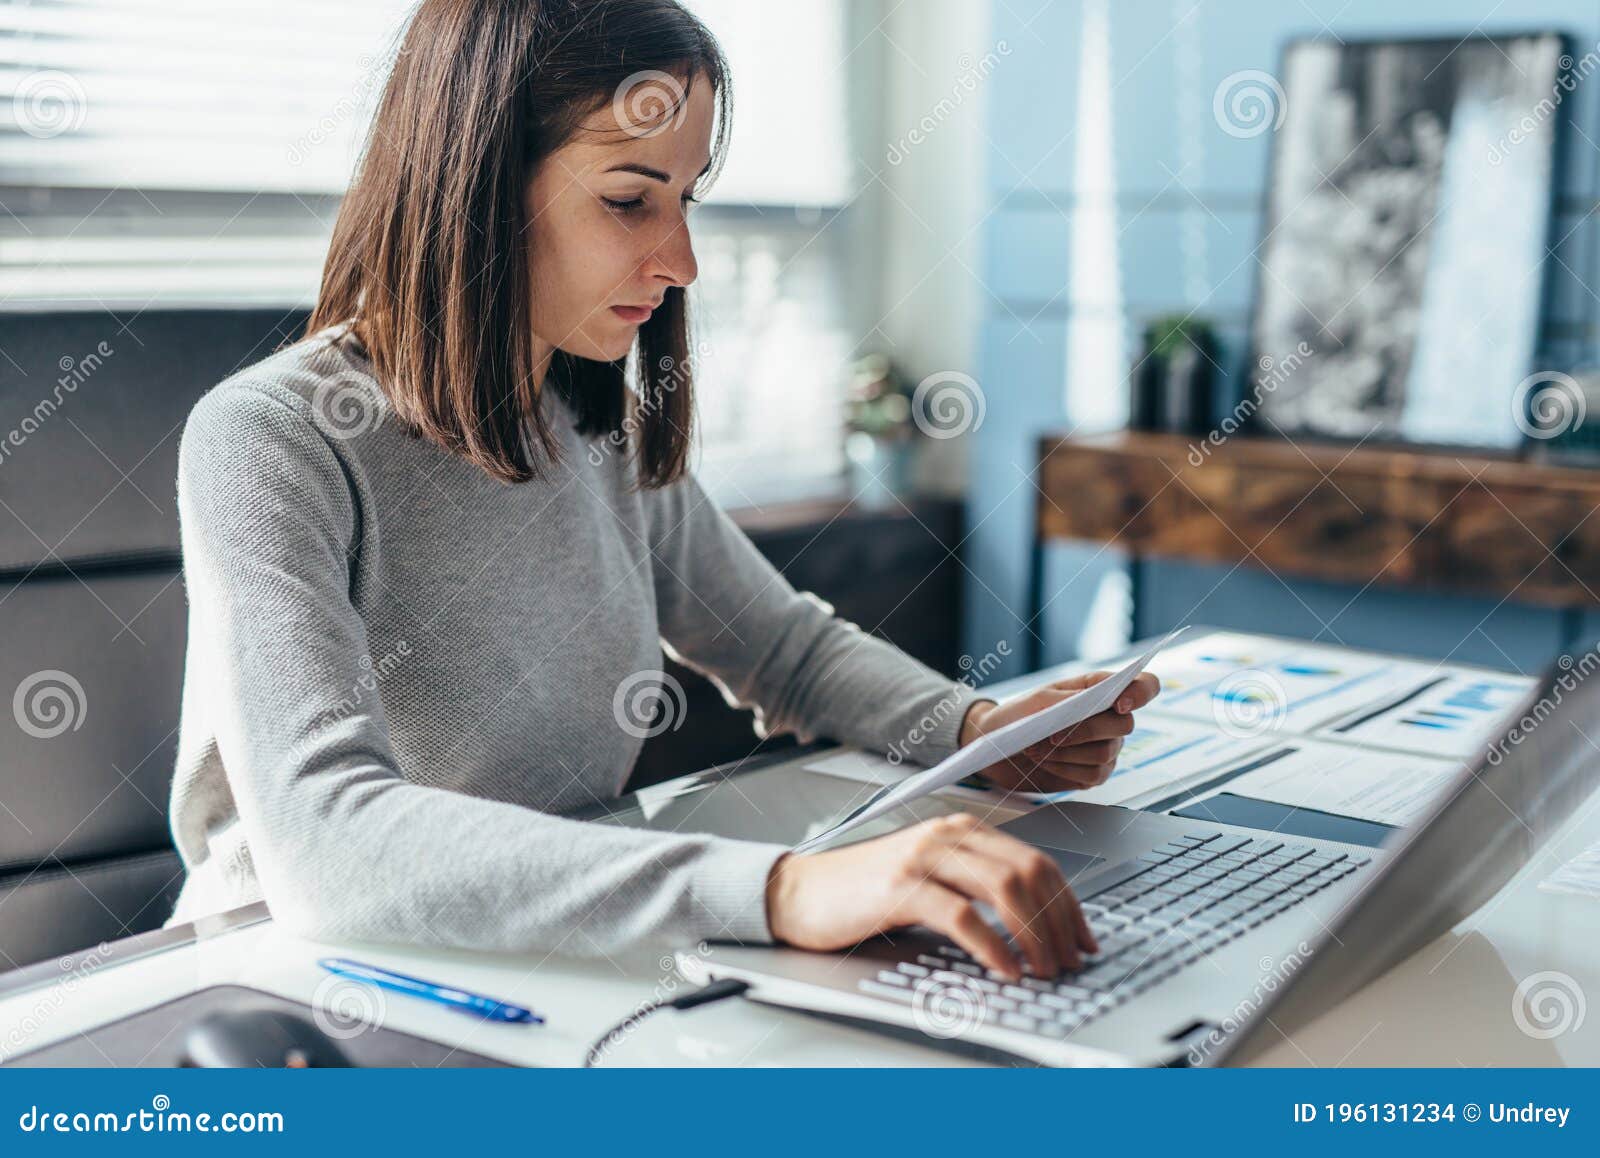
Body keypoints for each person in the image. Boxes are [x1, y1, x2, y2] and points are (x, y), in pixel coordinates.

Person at [165, 0, 1160, 982]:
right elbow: (325, 841)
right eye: (630, 199)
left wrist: (974, 734)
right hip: (292, 976)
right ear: (473, 183)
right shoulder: (269, 439)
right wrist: (784, 892)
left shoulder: (595, 427)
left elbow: (784, 650)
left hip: (541, 956)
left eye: (685, 200)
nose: (679, 262)